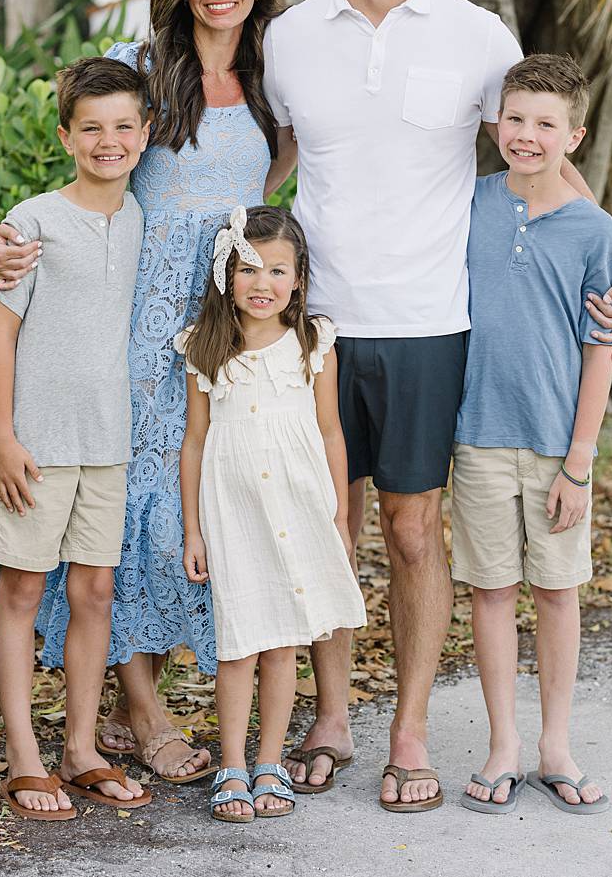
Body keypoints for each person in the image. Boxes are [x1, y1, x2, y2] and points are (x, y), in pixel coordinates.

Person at [263, 0, 612, 810]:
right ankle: (332, 716)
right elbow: (275, 160)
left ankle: (411, 730)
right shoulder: (289, 39)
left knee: (413, 530)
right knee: (330, 528)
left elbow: (540, 149)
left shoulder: (477, 35)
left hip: (430, 325)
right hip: (316, 326)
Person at [0, 0, 293, 784]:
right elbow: (91, 163)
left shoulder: (272, 80)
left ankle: (124, 708)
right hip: (135, 319)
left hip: (220, 319)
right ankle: (145, 711)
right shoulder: (149, 67)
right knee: (133, 508)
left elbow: (266, 178)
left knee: (190, 500)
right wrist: (1, 239)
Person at [0, 56, 153, 821]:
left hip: (107, 441)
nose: (107, 141)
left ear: (144, 135)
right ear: (65, 136)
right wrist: (1, 434)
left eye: (122, 126)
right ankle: (24, 754)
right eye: (91, 128)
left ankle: (81, 748)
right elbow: (1, 334)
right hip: (37, 442)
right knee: (22, 588)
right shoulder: (33, 222)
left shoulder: (140, 216)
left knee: (95, 591)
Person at [450, 55, 612, 816]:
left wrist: (579, 461)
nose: (526, 135)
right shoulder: (470, 200)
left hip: (557, 445)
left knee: (556, 591)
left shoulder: (593, 229)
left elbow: (600, 347)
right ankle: (503, 744)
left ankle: (556, 745)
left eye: (546, 124)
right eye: (515, 118)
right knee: (491, 590)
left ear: (573, 137)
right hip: (478, 434)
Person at [177, 205, 366, 823]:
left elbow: (331, 431)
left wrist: (338, 517)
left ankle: (269, 763)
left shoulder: (312, 342)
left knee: (284, 642)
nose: (263, 284)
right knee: (238, 643)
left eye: (277, 270)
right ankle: (232, 765)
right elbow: (195, 442)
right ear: (226, 276)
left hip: (297, 505)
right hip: (233, 514)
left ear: (298, 278)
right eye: (249, 269)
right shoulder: (205, 348)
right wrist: (193, 531)